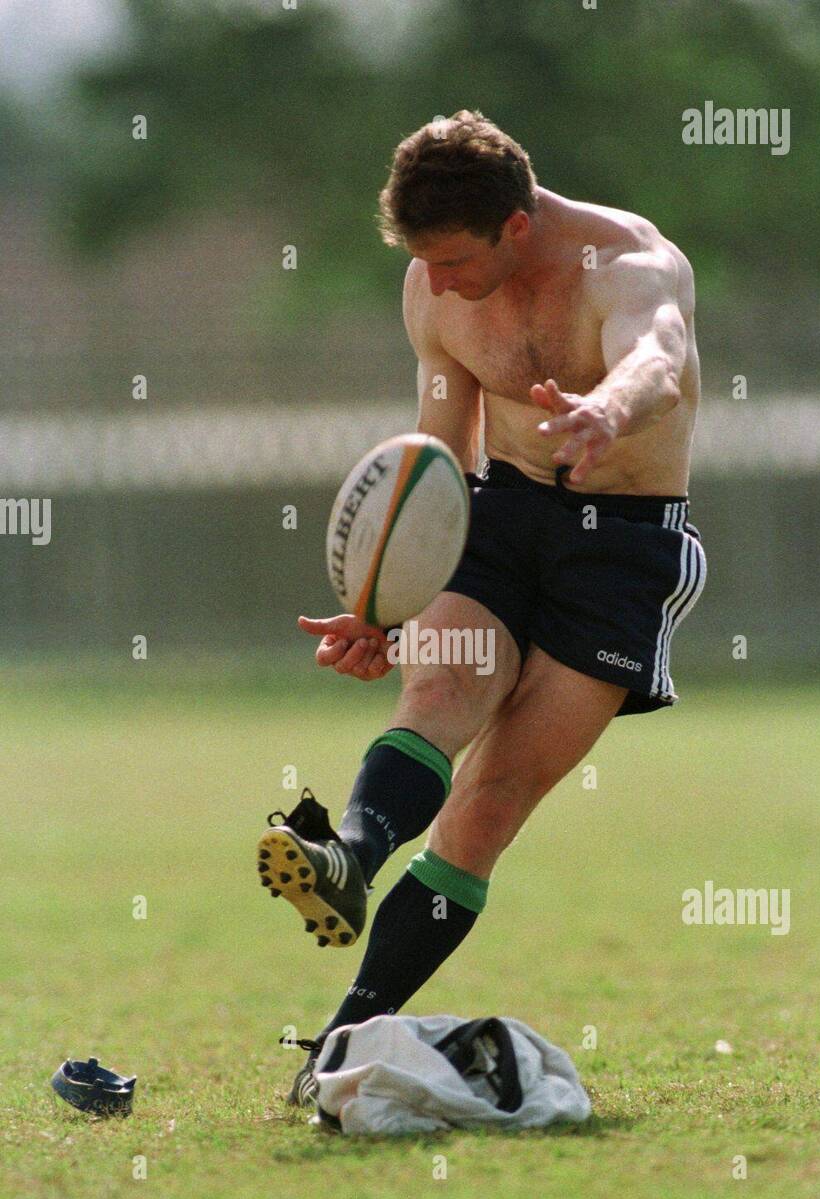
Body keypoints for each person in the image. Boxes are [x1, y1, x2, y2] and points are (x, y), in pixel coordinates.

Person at [256, 110, 707, 1106]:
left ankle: (338, 1039)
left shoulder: (627, 262)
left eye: (458, 262)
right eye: (426, 264)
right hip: (496, 514)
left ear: (516, 225)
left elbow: (660, 360)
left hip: (621, 548)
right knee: (441, 690)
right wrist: (386, 596)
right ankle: (350, 855)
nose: (441, 284)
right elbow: (435, 449)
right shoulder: (433, 281)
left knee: (489, 806)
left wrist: (605, 409)